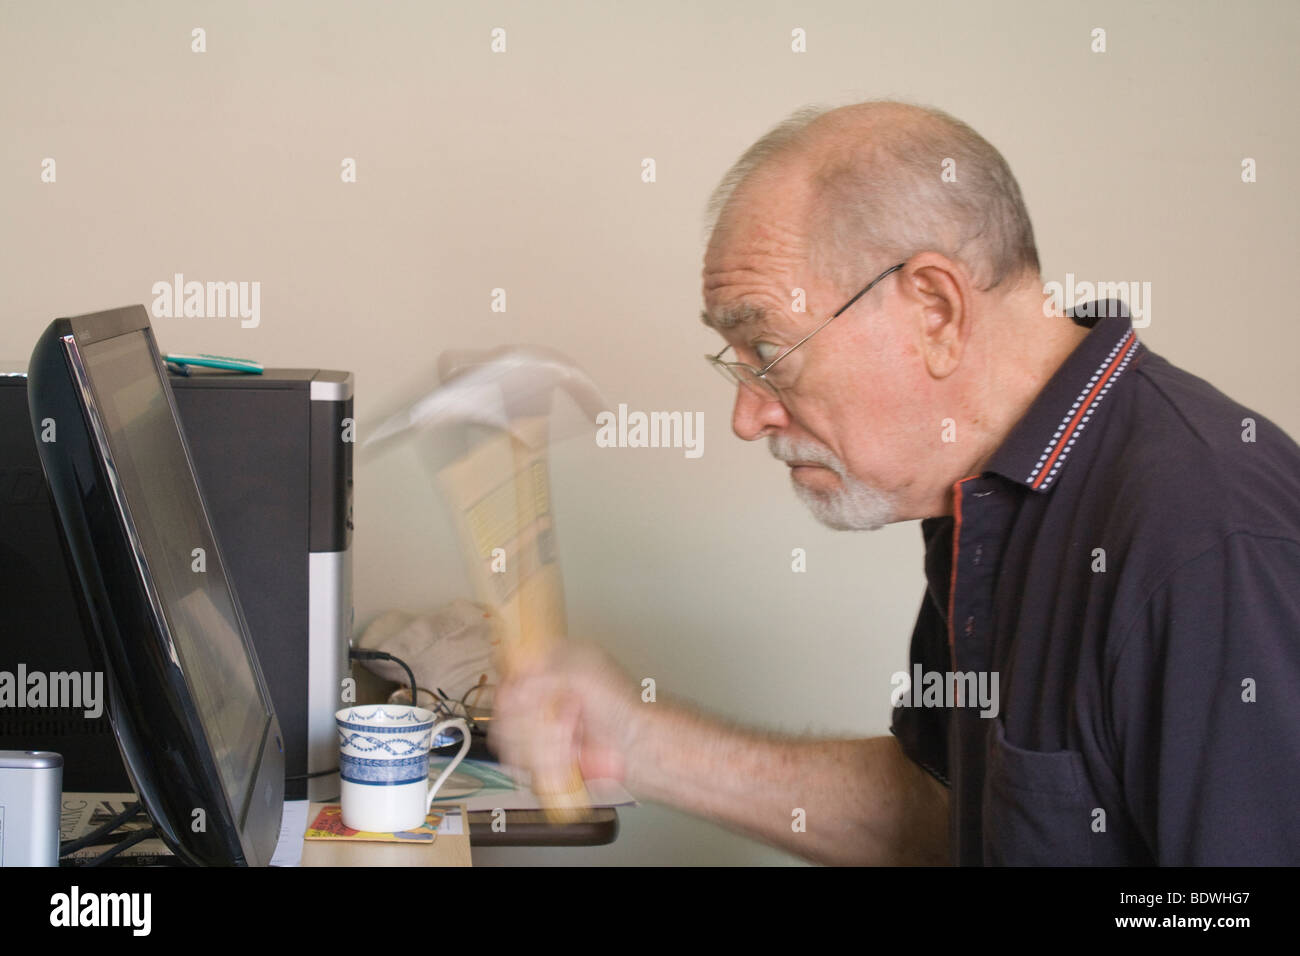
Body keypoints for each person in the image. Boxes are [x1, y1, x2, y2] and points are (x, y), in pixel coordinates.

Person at [489, 101, 1300, 865]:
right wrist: (638, 744)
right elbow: (946, 815)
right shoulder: (979, 490)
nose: (747, 417)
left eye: (767, 352)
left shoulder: (1206, 536)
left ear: (936, 311)